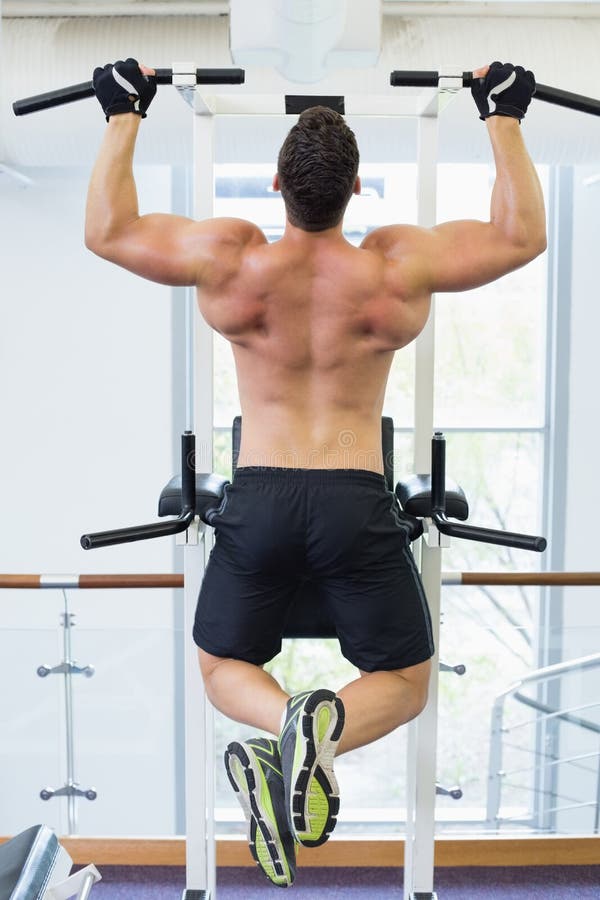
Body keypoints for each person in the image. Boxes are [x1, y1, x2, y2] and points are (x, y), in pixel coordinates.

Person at [86, 59, 546, 888]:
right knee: (405, 682)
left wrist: (125, 111)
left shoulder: (231, 261)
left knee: (222, 666)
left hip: (258, 495)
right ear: (359, 188)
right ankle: (314, 732)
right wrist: (501, 114)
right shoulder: (392, 269)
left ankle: (290, 727)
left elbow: (108, 231)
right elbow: (521, 236)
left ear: (274, 185)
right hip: (353, 497)